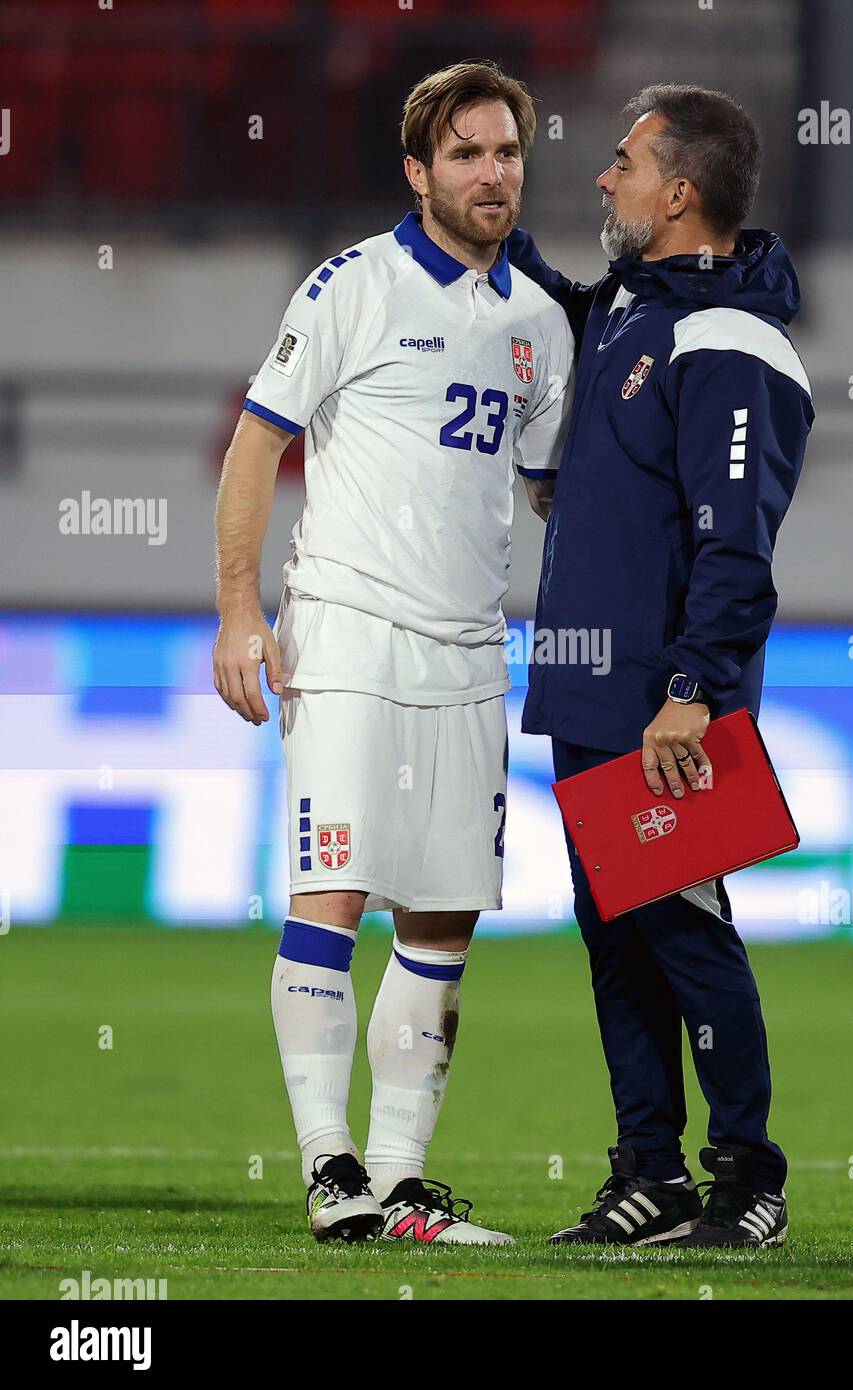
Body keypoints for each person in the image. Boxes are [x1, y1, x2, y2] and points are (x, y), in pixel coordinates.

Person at [212, 60, 573, 1244]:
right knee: (335, 892)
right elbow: (256, 447)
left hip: (471, 654)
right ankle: (330, 1168)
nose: (492, 172)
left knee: (444, 920)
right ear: (418, 171)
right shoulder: (351, 287)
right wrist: (237, 608)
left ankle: (406, 1182)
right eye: (466, 152)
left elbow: (544, 494)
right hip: (351, 632)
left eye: (507, 151)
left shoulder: (539, 324)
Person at [505, 84, 814, 1248]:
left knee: (686, 931)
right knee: (617, 933)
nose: (603, 178)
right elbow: (557, 295)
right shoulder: (634, 308)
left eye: (625, 163)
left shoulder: (730, 342)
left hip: (662, 703)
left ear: (679, 194)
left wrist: (692, 691)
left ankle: (751, 1181)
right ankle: (650, 1173)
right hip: (595, 690)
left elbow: (736, 543)